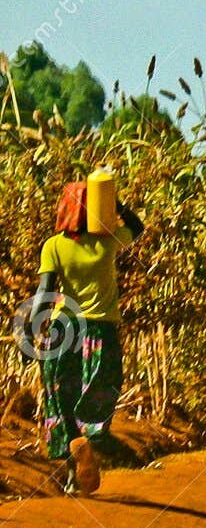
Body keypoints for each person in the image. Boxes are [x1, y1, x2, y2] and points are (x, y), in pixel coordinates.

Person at [28, 181, 145, 495]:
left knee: (61, 400)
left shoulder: (53, 245)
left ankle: (71, 475)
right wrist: (114, 205)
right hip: (99, 332)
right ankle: (88, 443)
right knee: (97, 395)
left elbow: (44, 293)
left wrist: (30, 329)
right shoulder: (107, 242)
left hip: (62, 329)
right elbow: (138, 226)